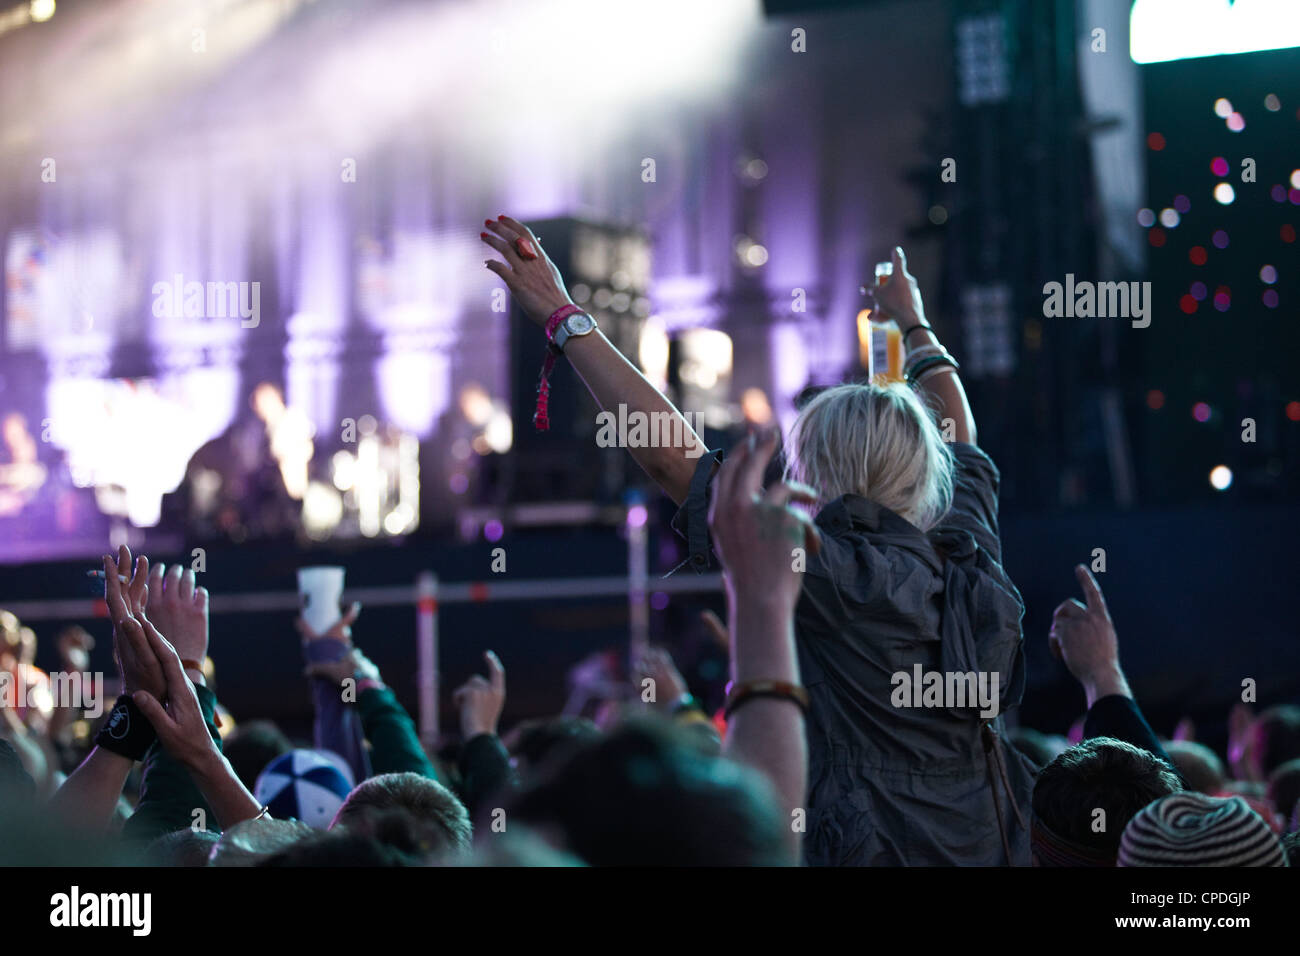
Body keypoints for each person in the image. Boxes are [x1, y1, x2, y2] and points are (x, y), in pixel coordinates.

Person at [481, 216, 1033, 865]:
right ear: (927, 469)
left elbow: (673, 463)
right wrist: (913, 323)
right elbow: (958, 433)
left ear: (815, 472)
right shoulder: (971, 554)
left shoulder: (819, 568)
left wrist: (566, 318)